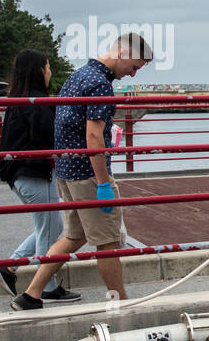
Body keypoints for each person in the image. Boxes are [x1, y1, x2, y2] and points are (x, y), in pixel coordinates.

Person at [11, 33, 152, 310]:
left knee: (74, 236)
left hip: (66, 169)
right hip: (88, 173)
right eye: (134, 66)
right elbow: (94, 136)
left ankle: (31, 294)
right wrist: (103, 184)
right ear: (123, 53)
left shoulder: (79, 75)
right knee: (108, 241)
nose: (132, 75)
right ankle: (120, 301)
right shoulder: (100, 84)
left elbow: (63, 124)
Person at [0, 50, 79, 303]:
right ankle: (47, 286)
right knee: (50, 229)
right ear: (39, 71)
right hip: (34, 173)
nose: (50, 72)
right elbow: (48, 139)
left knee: (50, 227)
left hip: (20, 173)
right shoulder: (37, 103)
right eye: (48, 67)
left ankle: (9, 267)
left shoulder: (18, 99)